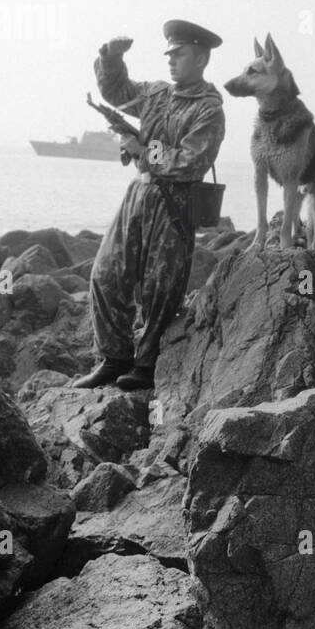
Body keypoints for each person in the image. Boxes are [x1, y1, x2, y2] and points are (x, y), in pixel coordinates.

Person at [73, 20, 226, 391]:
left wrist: (143, 150)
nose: (172, 61)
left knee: (161, 287)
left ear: (201, 58)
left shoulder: (209, 110)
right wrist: (111, 59)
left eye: (180, 54)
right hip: (139, 195)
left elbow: (191, 161)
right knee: (106, 274)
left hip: (173, 204)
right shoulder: (156, 94)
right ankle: (114, 358)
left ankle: (146, 364)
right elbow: (117, 91)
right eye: (169, 54)